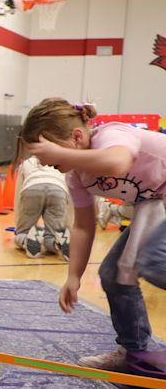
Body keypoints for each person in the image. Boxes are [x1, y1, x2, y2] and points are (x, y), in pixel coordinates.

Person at [23, 98, 166, 370]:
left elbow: (117, 163)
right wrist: (73, 277)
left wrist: (64, 155)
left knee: (157, 263)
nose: (46, 161)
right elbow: (83, 225)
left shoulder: (111, 135)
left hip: (158, 200)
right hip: (155, 202)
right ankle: (134, 351)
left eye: (50, 152)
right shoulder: (77, 175)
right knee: (113, 275)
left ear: (77, 136)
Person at [12, 153, 71, 260]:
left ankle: (26, 240)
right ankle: (58, 243)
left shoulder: (26, 163)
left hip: (32, 189)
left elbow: (18, 193)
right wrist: (66, 225)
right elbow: (68, 190)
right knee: (51, 236)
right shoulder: (59, 162)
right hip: (58, 191)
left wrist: (18, 222)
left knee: (21, 234)